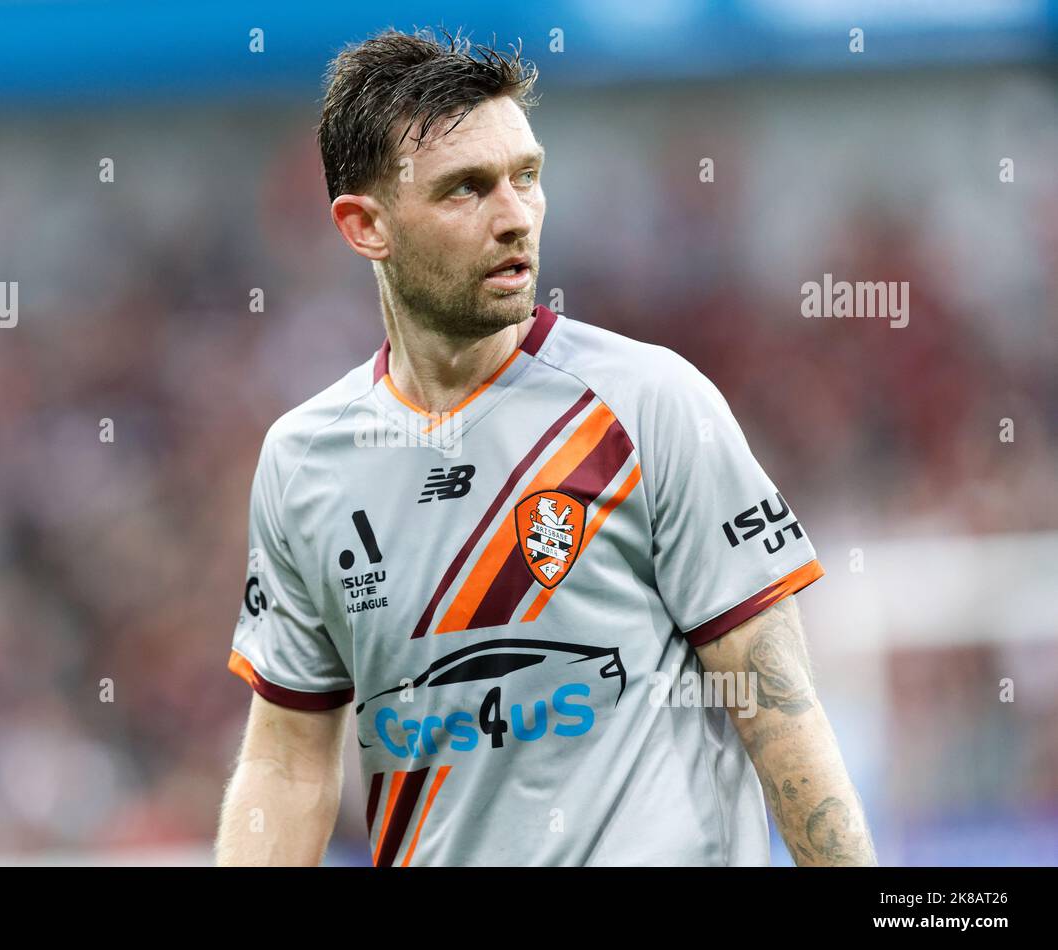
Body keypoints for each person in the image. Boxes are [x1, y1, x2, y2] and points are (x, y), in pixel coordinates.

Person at [215, 27, 876, 866]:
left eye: (526, 177)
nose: (515, 218)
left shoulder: (649, 403)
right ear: (364, 226)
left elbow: (778, 705)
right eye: (466, 190)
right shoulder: (304, 461)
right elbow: (287, 763)